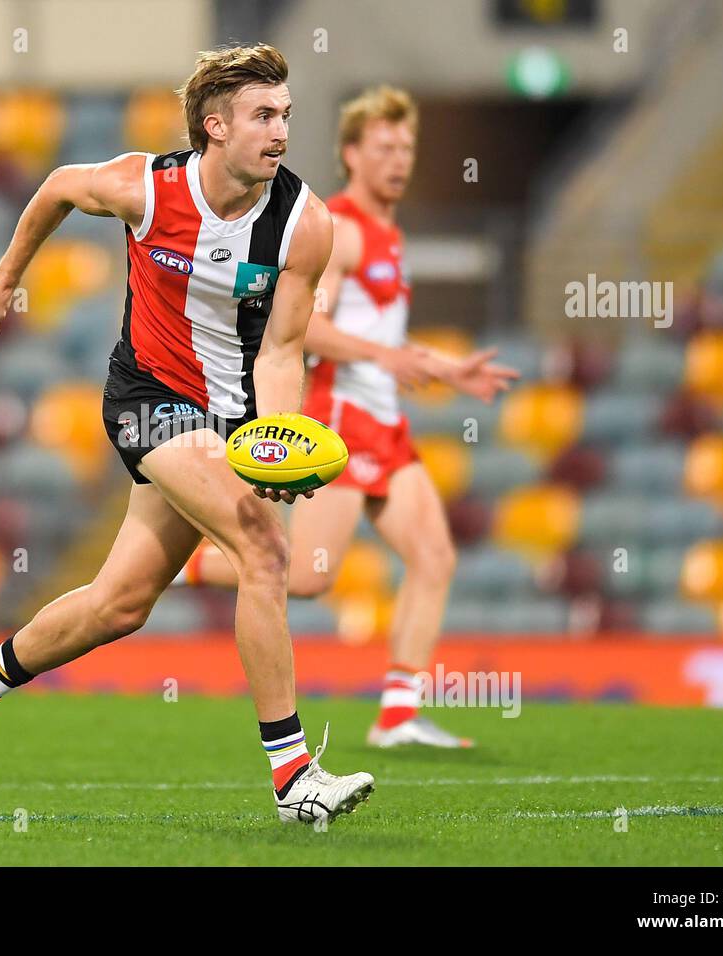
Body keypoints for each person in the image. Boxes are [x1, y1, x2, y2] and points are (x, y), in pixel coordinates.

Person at [0, 45, 375, 824]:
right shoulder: (148, 187)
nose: (281, 132)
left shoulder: (305, 224)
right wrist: (5, 278)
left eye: (287, 116)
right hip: (147, 400)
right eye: (264, 116)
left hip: (228, 420)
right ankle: (294, 778)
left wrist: (274, 436)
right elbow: (60, 187)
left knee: (118, 606)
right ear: (215, 126)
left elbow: (283, 351)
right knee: (263, 550)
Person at [176, 87, 518, 748]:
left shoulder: (388, 232)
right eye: (384, 147)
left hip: (386, 426)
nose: (399, 159)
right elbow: (309, 328)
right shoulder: (346, 231)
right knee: (307, 575)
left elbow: (382, 338)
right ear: (352, 154)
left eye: (407, 147)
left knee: (435, 557)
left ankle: (397, 715)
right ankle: (183, 564)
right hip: (343, 421)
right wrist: (388, 357)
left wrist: (448, 370)